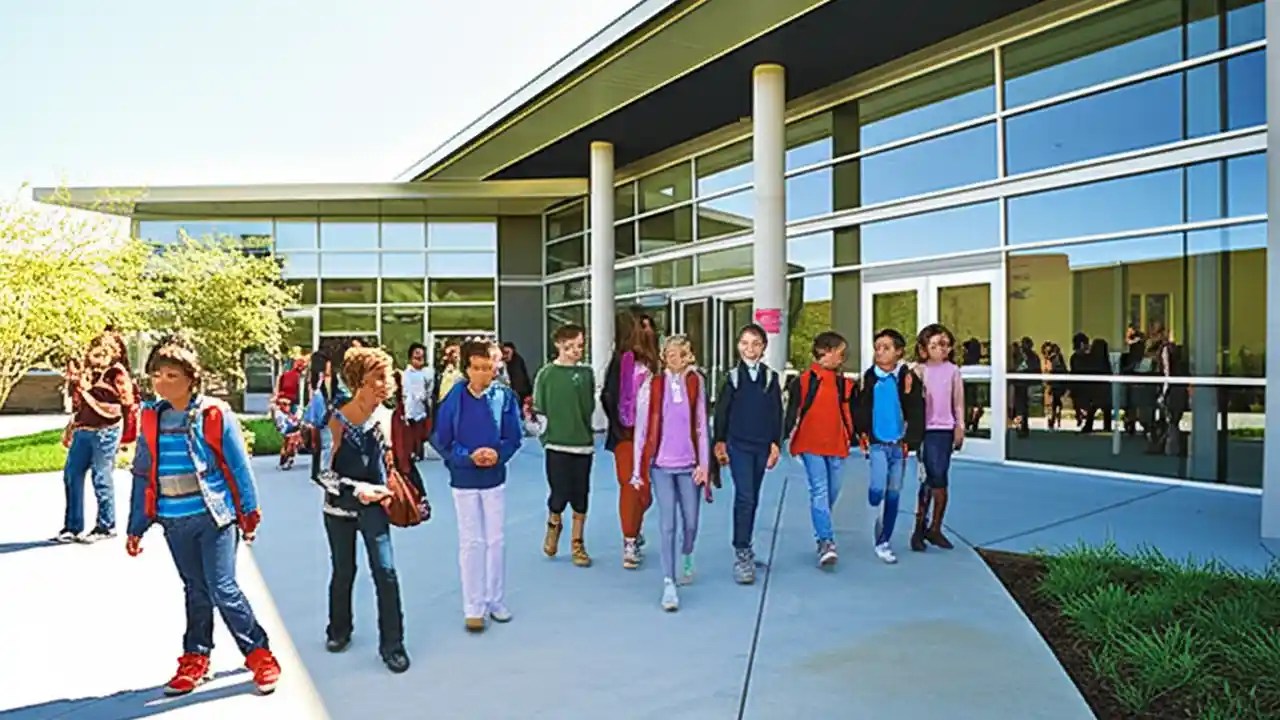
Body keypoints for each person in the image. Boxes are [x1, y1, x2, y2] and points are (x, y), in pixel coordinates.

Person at [125, 334, 281, 696]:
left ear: (191, 378)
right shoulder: (151, 416)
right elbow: (142, 471)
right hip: (173, 520)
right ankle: (196, 657)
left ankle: (259, 654)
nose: (162, 383)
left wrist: (249, 513)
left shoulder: (213, 414)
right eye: (156, 376)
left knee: (222, 588)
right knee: (195, 590)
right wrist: (137, 524)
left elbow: (239, 466)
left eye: (172, 376)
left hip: (214, 517)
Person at [313, 347, 412, 673]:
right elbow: (321, 473)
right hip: (339, 510)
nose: (386, 384)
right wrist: (356, 490)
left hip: (376, 508)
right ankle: (338, 630)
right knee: (344, 571)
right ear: (358, 381)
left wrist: (409, 492)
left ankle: (393, 645)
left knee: (386, 572)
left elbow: (400, 463)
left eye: (388, 377)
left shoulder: (388, 417)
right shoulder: (335, 419)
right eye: (377, 378)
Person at [432, 340, 524, 633]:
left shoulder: (504, 397)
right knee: (472, 541)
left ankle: (495, 599)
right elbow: (440, 438)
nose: (482, 373)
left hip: (494, 478)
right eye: (476, 368)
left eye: (487, 367)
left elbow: (514, 436)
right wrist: (466, 456)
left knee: (495, 539)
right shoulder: (454, 397)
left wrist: (499, 454)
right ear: (467, 368)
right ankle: (473, 606)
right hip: (464, 479)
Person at [632, 335, 711, 612]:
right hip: (661, 466)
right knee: (668, 524)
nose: (675, 358)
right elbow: (642, 429)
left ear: (689, 356)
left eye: (680, 353)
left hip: (689, 465)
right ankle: (669, 581)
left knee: (691, 521)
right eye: (670, 353)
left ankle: (687, 552)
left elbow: (701, 425)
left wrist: (704, 464)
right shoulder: (652, 385)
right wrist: (637, 469)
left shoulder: (695, 382)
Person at [712, 323, 783, 585]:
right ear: (737, 346)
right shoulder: (732, 378)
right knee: (745, 496)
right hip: (738, 445)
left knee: (753, 497)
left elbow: (777, 413)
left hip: (761, 446)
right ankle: (741, 551)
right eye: (744, 343)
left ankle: (748, 546)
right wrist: (719, 442)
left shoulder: (770, 378)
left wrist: (776, 443)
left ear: (763, 347)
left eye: (755, 343)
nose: (749, 348)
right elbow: (721, 412)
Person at [783, 331, 856, 567]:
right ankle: (825, 540)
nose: (843, 358)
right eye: (840, 353)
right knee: (820, 490)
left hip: (837, 443)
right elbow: (792, 412)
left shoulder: (843, 383)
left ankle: (822, 526)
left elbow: (849, 411)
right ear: (826, 352)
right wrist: (780, 439)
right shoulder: (804, 381)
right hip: (810, 442)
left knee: (832, 491)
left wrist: (855, 435)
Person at [852, 328, 924, 564]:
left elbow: (916, 410)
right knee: (877, 488)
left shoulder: (907, 378)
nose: (880, 352)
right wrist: (862, 433)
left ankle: (884, 540)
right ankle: (874, 502)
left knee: (894, 492)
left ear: (899, 352)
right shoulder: (868, 379)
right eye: (877, 348)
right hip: (877, 443)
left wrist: (911, 441)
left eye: (886, 348)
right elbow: (859, 408)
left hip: (898, 445)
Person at [58, 332, 134, 543]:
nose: (98, 359)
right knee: (72, 474)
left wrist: (87, 392)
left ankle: (106, 525)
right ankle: (72, 526)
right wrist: (71, 427)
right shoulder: (87, 373)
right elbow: (80, 405)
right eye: (95, 354)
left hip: (106, 431)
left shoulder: (116, 374)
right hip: (83, 430)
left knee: (101, 477)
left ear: (113, 354)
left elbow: (122, 407)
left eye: (103, 354)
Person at [530, 324, 595, 567]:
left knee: (581, 493)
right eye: (570, 346)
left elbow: (588, 406)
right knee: (559, 491)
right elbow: (539, 408)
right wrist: (544, 435)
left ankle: (578, 542)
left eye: (580, 345)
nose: (576, 350)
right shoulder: (546, 374)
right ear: (559, 345)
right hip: (556, 444)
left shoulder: (586, 374)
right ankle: (554, 523)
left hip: (582, 444)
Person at [601, 311, 660, 569]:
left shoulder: (658, 363)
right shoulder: (621, 361)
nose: (648, 331)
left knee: (645, 494)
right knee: (630, 485)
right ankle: (629, 540)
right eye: (642, 326)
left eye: (650, 326)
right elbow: (608, 396)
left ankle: (635, 525)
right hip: (626, 434)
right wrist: (620, 424)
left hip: (652, 436)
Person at [908, 324, 963, 553]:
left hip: (944, 429)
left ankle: (935, 527)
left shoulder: (953, 371)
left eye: (945, 344)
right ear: (924, 348)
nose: (941, 348)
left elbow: (958, 402)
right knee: (929, 477)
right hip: (925, 430)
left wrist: (959, 426)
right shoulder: (919, 371)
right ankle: (920, 527)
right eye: (935, 345)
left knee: (939, 477)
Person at [401, 343, 433, 461]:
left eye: (421, 357)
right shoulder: (406, 374)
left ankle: (419, 454)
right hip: (408, 408)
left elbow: (429, 391)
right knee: (409, 435)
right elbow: (404, 391)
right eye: (416, 357)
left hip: (421, 409)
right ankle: (411, 454)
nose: (419, 360)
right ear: (411, 358)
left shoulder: (427, 373)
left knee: (420, 434)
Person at [271, 397, 304, 470]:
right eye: (285, 404)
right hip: (286, 430)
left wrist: (296, 421)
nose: (287, 406)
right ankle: (285, 461)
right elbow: (278, 424)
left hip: (292, 430)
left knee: (290, 444)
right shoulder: (279, 413)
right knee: (287, 445)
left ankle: (288, 460)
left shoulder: (295, 411)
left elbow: (297, 421)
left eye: (288, 404)